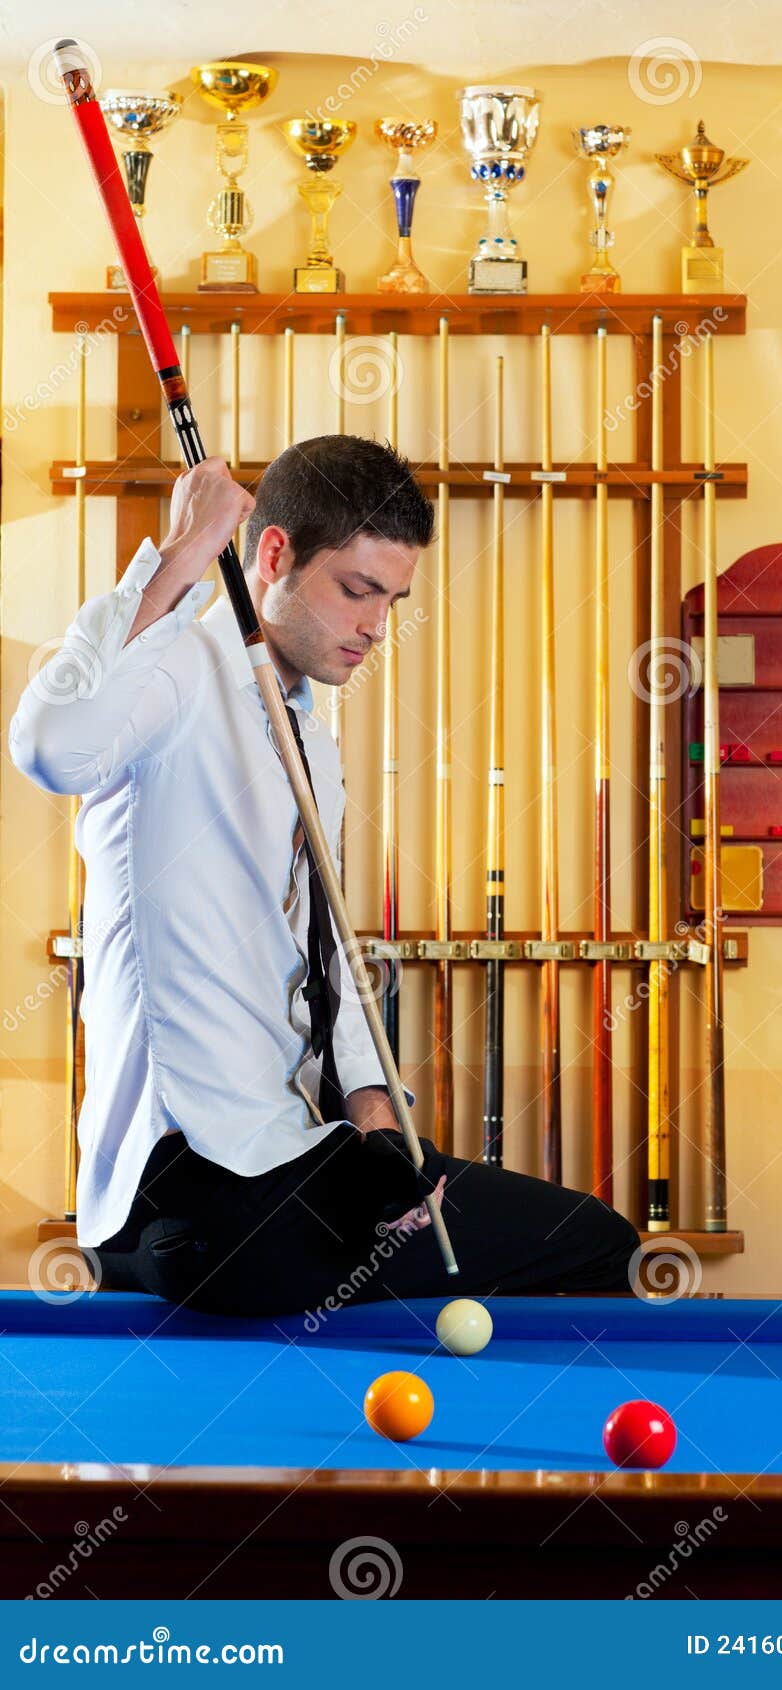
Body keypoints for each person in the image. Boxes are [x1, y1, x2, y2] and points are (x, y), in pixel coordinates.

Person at [10, 435, 640, 1316]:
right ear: (273, 555)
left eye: (393, 598)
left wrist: (376, 1113)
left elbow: (329, 951)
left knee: (588, 1238)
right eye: (356, 589)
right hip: (189, 1181)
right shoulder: (177, 673)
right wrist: (186, 550)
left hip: (287, 1157)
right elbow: (49, 744)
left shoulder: (310, 731)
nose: (377, 626)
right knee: (594, 1245)